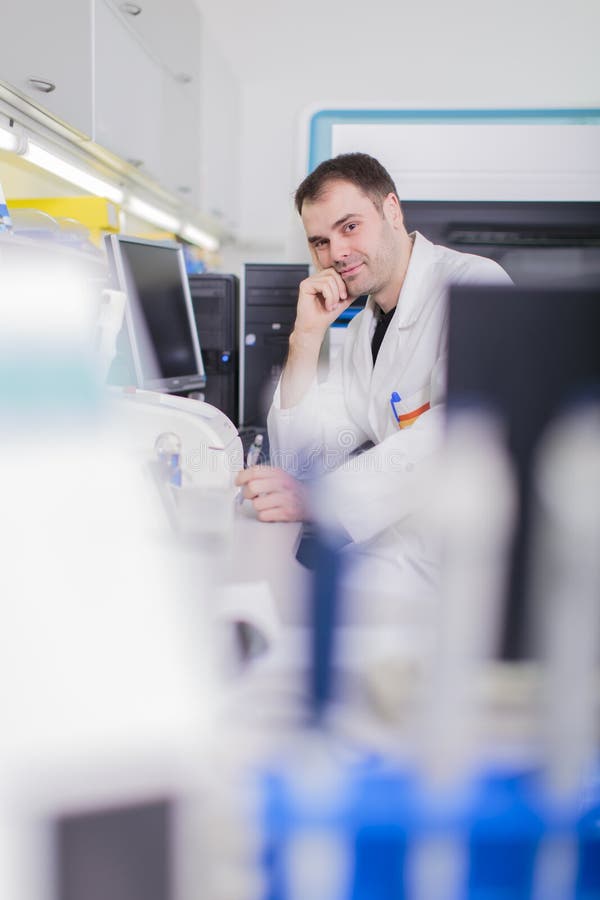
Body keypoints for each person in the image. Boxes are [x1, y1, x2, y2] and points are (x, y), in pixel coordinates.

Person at [236, 153, 512, 594]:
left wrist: (321, 497)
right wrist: (305, 337)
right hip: (394, 548)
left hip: (453, 569)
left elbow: (460, 430)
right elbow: (301, 452)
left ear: (392, 210)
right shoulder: (364, 325)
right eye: (320, 241)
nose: (336, 253)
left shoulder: (473, 285)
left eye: (349, 227)